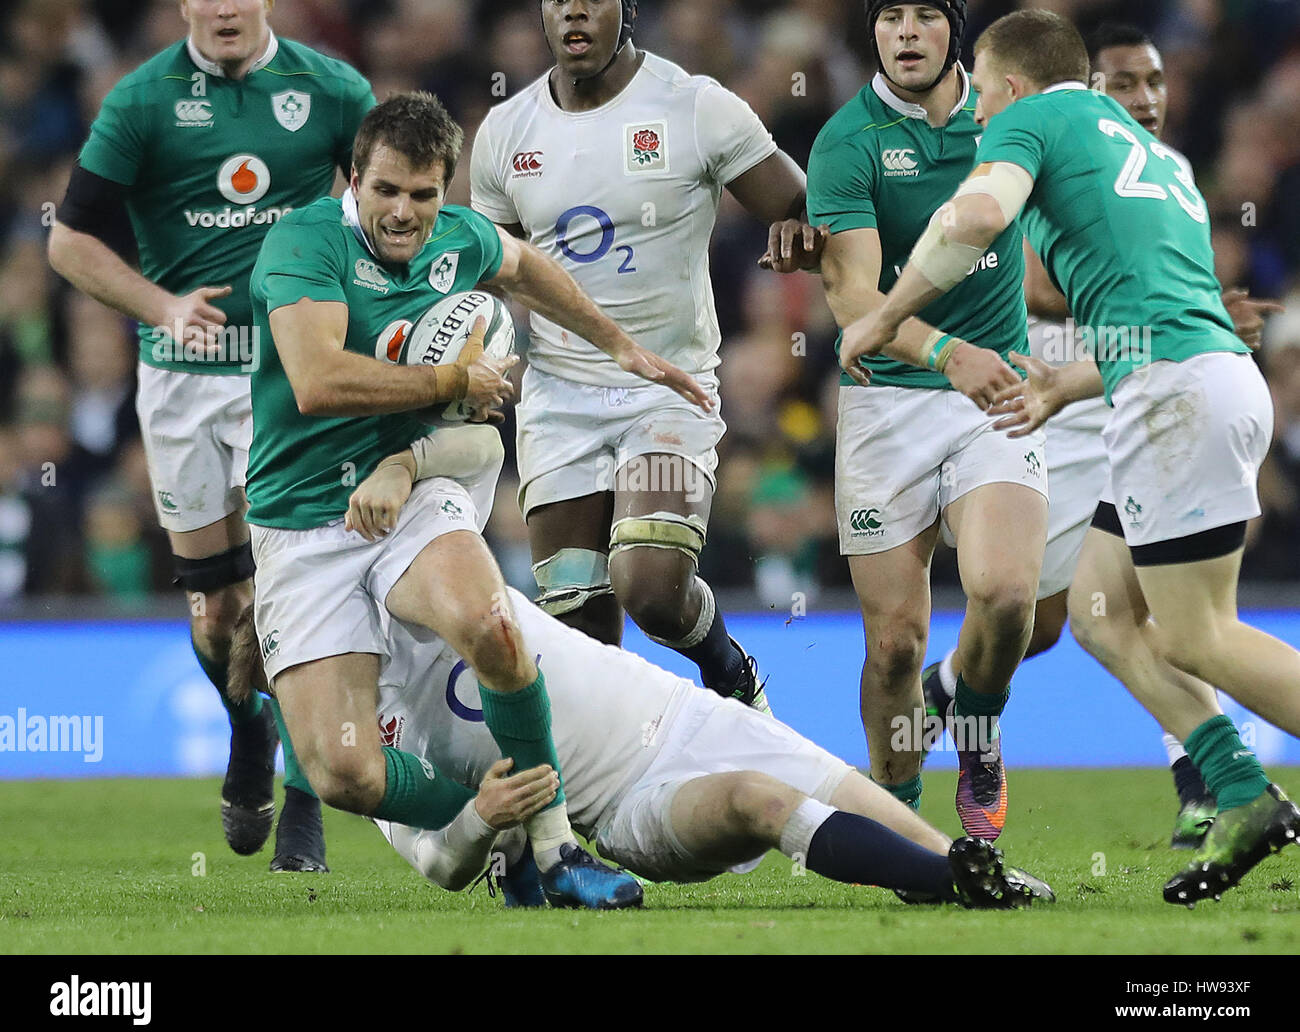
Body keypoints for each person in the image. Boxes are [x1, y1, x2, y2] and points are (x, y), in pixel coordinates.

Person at [842, 8, 1300, 904]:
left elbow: (976, 215)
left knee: (1198, 634)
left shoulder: (1033, 118)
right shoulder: (1151, 159)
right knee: (1097, 610)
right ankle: (1241, 789)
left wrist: (888, 314)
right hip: (1194, 383)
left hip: (1175, 399)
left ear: (1009, 81)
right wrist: (1062, 387)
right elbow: (1154, 307)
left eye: (978, 81)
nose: (974, 104)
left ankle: (1245, 787)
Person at [225, 449, 1055, 912]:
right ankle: (956, 883)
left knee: (859, 795)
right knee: (759, 803)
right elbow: (440, 863)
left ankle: (971, 872)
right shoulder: (378, 747)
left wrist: (402, 458)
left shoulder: (430, 580)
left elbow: (466, 449)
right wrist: (480, 817)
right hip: (627, 807)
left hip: (676, 706)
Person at [245, 90, 710, 909]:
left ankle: (556, 845)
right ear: (354, 181)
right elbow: (316, 382)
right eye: (385, 191)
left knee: (492, 625)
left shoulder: (457, 239)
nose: (403, 212)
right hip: (303, 519)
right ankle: (496, 827)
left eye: (423, 195)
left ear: (443, 192)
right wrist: (451, 379)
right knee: (344, 770)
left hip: (416, 488)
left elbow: (525, 265)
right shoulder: (304, 242)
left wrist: (619, 344)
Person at [46, 0, 377, 870]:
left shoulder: (333, 88)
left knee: (295, 590)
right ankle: (250, 730)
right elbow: (68, 241)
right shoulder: (141, 101)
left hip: (291, 375)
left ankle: (305, 800)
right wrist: (159, 305)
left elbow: (386, 216)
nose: (225, 5)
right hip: (183, 380)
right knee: (215, 616)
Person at [469, 0, 825, 713]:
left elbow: (801, 204)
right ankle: (623, 808)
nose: (572, 9)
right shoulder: (505, 133)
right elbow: (495, 267)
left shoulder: (695, 108)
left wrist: (803, 236)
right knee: (581, 634)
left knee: (652, 585)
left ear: (626, 10)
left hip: (668, 390)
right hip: (559, 400)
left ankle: (728, 669)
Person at [805, 0, 1044, 841]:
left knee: (1007, 594)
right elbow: (853, 300)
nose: (906, 33)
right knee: (897, 645)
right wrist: (949, 353)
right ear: (871, 33)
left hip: (998, 395)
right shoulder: (847, 140)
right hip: (888, 405)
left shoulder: (1008, 118)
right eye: (889, 17)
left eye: (926, 16)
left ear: (958, 31)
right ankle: (901, 828)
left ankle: (978, 725)